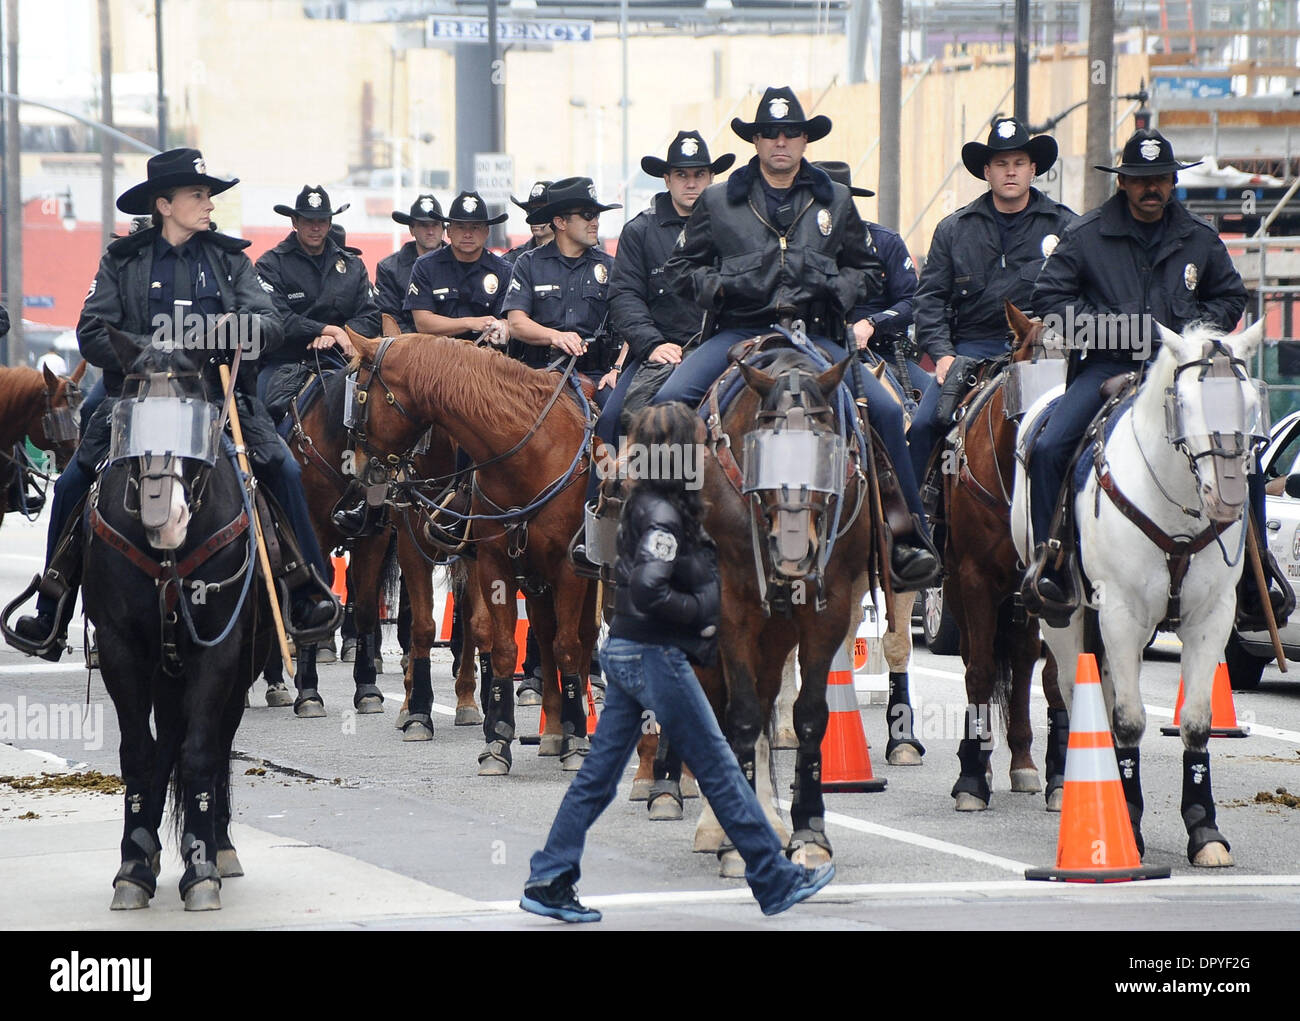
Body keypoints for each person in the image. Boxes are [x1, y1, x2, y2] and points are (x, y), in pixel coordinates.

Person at [9, 148, 337, 659]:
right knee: (74, 481)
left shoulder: (230, 261)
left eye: (208, 195)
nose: (209, 205)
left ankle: (305, 588)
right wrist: (156, 352)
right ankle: (52, 608)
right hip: (137, 400)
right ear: (164, 203)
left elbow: (270, 323)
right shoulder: (123, 261)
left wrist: (234, 329)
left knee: (285, 470)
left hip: (220, 399)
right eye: (198, 195)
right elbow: (92, 330)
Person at [520, 401, 835, 923]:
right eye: (700, 446)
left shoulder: (650, 501)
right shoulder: (664, 514)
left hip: (626, 650)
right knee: (717, 764)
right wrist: (703, 615)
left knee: (598, 777)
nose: (708, 453)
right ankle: (773, 876)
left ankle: (549, 876)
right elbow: (648, 590)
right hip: (652, 654)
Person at [657, 86, 938, 588]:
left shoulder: (836, 199)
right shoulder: (719, 202)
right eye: (770, 134)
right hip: (739, 332)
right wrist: (726, 287)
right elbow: (680, 271)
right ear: (757, 141)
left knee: (890, 412)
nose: (780, 142)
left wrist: (833, 287)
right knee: (667, 401)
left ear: (805, 140)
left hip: (816, 337)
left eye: (790, 134)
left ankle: (906, 535)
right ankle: (658, 532)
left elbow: (869, 272)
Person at [1021, 128, 1276, 619]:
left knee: (1246, 455)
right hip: (1106, 369)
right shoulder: (1085, 235)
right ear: (1123, 183)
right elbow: (1049, 301)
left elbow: (1230, 298)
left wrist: (1190, 337)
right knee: (1051, 446)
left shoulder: (1199, 238)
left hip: (1188, 373)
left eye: (1159, 178)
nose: (1150, 188)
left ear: (1172, 181)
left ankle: (1256, 570)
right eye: (1141, 180)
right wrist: (1120, 333)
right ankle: (1050, 562)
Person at [907, 117, 1076, 489]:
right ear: (987, 171)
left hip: (1043, 354)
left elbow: (1083, 296)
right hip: (971, 351)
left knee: (1075, 431)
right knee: (923, 426)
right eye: (1001, 164)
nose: (1010, 171)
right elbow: (929, 299)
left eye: (1018, 163)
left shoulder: (1066, 227)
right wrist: (943, 354)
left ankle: (1072, 527)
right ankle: (915, 531)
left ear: (1034, 169)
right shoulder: (954, 229)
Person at [253, 185, 380, 402]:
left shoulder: (353, 266)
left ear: (330, 224)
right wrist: (325, 329)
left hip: (342, 360)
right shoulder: (271, 263)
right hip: (286, 362)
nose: (315, 228)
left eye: (321, 221)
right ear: (295, 222)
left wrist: (338, 334)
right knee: (263, 417)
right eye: (308, 221)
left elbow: (371, 316)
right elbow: (275, 317)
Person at [812, 161, 927, 399]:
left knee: (929, 413)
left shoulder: (886, 243)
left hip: (882, 352)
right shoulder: (800, 250)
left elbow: (913, 303)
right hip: (817, 354)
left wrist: (872, 323)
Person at [502, 176, 620, 407]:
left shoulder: (611, 266)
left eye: (596, 215)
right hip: (537, 374)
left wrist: (617, 369)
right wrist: (555, 336)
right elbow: (516, 323)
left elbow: (631, 320)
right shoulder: (528, 263)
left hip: (597, 376)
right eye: (587, 215)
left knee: (620, 419)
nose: (595, 222)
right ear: (560, 222)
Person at [404, 190, 511, 342]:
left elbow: (508, 320)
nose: (468, 234)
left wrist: (502, 328)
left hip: (487, 357)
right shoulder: (425, 267)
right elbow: (423, 323)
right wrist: (471, 323)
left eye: (475, 227)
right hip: (437, 356)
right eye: (460, 227)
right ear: (448, 231)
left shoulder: (504, 271)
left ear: (486, 232)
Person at [375, 195, 445, 334]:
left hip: (455, 348)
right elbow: (388, 318)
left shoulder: (459, 263)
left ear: (443, 228)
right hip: (407, 349)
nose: (430, 231)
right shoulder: (389, 269)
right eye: (423, 225)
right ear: (411, 229)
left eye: (435, 224)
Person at [504, 181, 555, 266]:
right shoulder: (511, 260)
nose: (535, 218)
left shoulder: (576, 257)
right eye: (531, 212)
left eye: (542, 212)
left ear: (558, 216)